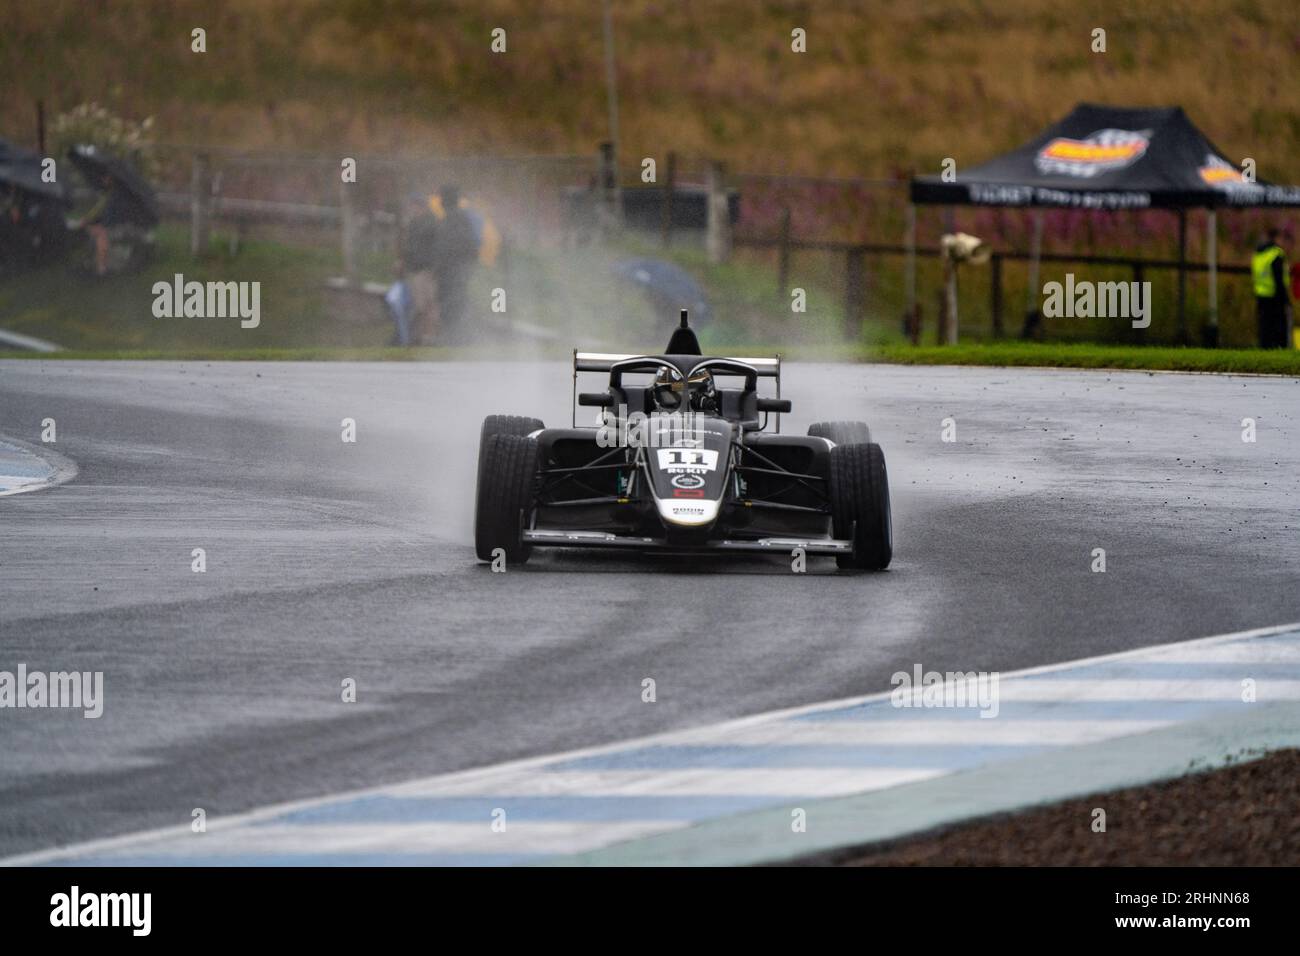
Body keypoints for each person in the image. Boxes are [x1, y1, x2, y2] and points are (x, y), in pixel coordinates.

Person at [433, 184, 480, 341]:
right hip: (453, 270)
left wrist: (444, 265)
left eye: (442, 199)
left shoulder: (454, 219)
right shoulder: (455, 219)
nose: (440, 202)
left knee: (453, 304)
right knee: (453, 303)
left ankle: (456, 337)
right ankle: (454, 336)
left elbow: (453, 247)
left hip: (453, 271)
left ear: (446, 200)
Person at [397, 193, 440, 345]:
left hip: (426, 269)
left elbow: (435, 247)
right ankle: (420, 336)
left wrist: (434, 268)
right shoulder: (413, 224)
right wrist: (402, 261)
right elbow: (408, 247)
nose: (412, 209)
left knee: (427, 304)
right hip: (415, 269)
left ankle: (429, 335)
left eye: (414, 206)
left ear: (421, 206)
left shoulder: (430, 223)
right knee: (420, 305)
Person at [1251, 227, 1292, 349]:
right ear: (1276, 238)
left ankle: (1265, 348)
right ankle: (1280, 349)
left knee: (1264, 327)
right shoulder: (1275, 255)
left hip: (1260, 295)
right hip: (1275, 297)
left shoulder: (1259, 254)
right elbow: (1278, 279)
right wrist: (1286, 299)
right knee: (1279, 327)